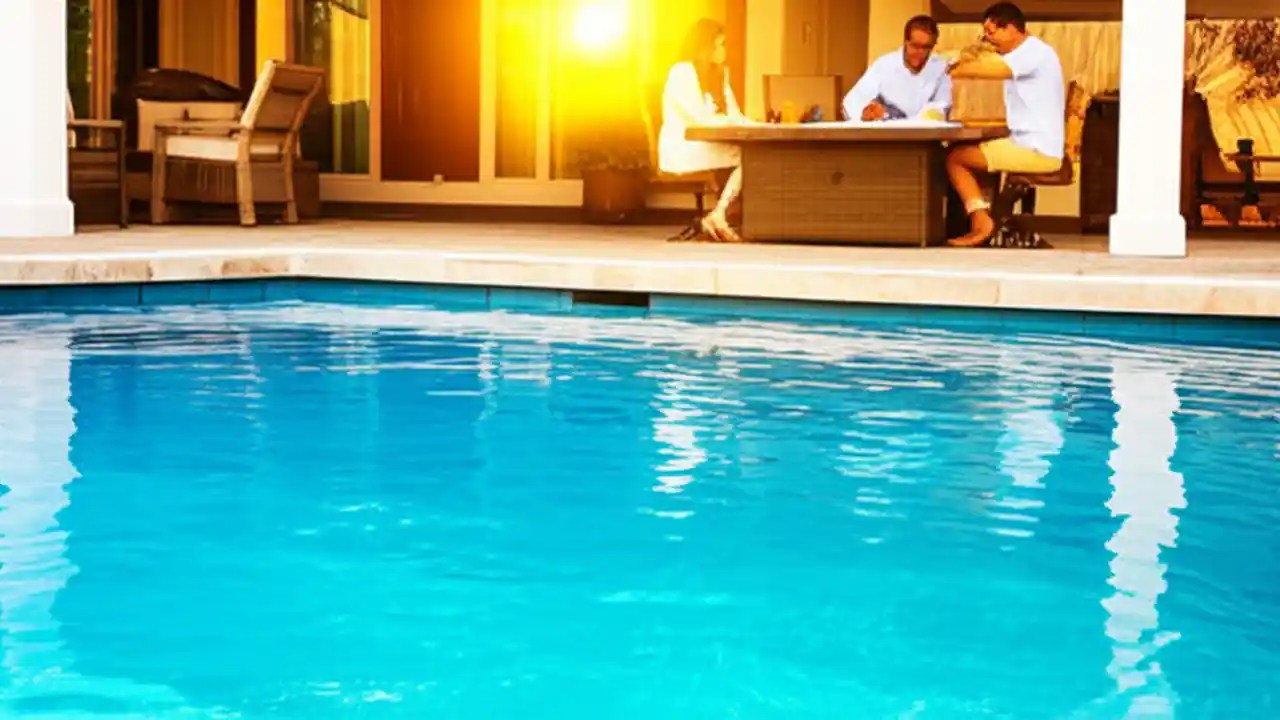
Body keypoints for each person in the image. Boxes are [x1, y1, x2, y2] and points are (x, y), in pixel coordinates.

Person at [944, 2, 1065, 247]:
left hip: (1036, 149)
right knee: (971, 152)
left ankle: (982, 222)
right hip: (1029, 142)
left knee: (956, 158)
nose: (989, 40)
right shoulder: (1026, 55)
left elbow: (987, 70)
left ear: (1010, 28)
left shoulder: (1033, 52)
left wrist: (947, 67)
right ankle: (988, 219)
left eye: (991, 33)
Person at [659, 18, 746, 242]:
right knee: (746, 156)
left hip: (707, 142)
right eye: (721, 44)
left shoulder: (720, 74)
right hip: (684, 145)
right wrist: (730, 122)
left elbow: (733, 115)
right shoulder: (682, 72)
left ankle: (723, 214)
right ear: (706, 47)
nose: (725, 50)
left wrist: (756, 125)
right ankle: (721, 213)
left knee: (751, 154)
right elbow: (698, 119)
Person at [842, 15, 952, 123]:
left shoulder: (941, 68)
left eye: (926, 47)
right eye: (915, 46)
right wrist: (866, 112)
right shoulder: (885, 64)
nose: (921, 53)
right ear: (906, 42)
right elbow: (853, 101)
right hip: (888, 133)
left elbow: (942, 106)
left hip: (924, 134)